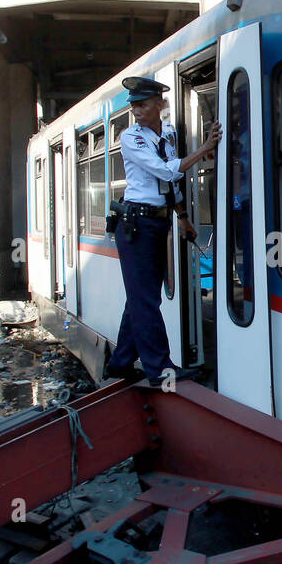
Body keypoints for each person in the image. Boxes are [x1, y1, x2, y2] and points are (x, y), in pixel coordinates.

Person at [105, 77, 220, 387]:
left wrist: (182, 218)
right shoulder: (131, 138)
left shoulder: (167, 132)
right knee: (146, 300)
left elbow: (171, 185)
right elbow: (167, 171)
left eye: (142, 104)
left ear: (159, 104)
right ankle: (159, 370)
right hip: (136, 225)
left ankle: (119, 364)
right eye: (133, 106)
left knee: (142, 297)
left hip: (157, 222)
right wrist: (205, 149)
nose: (136, 111)